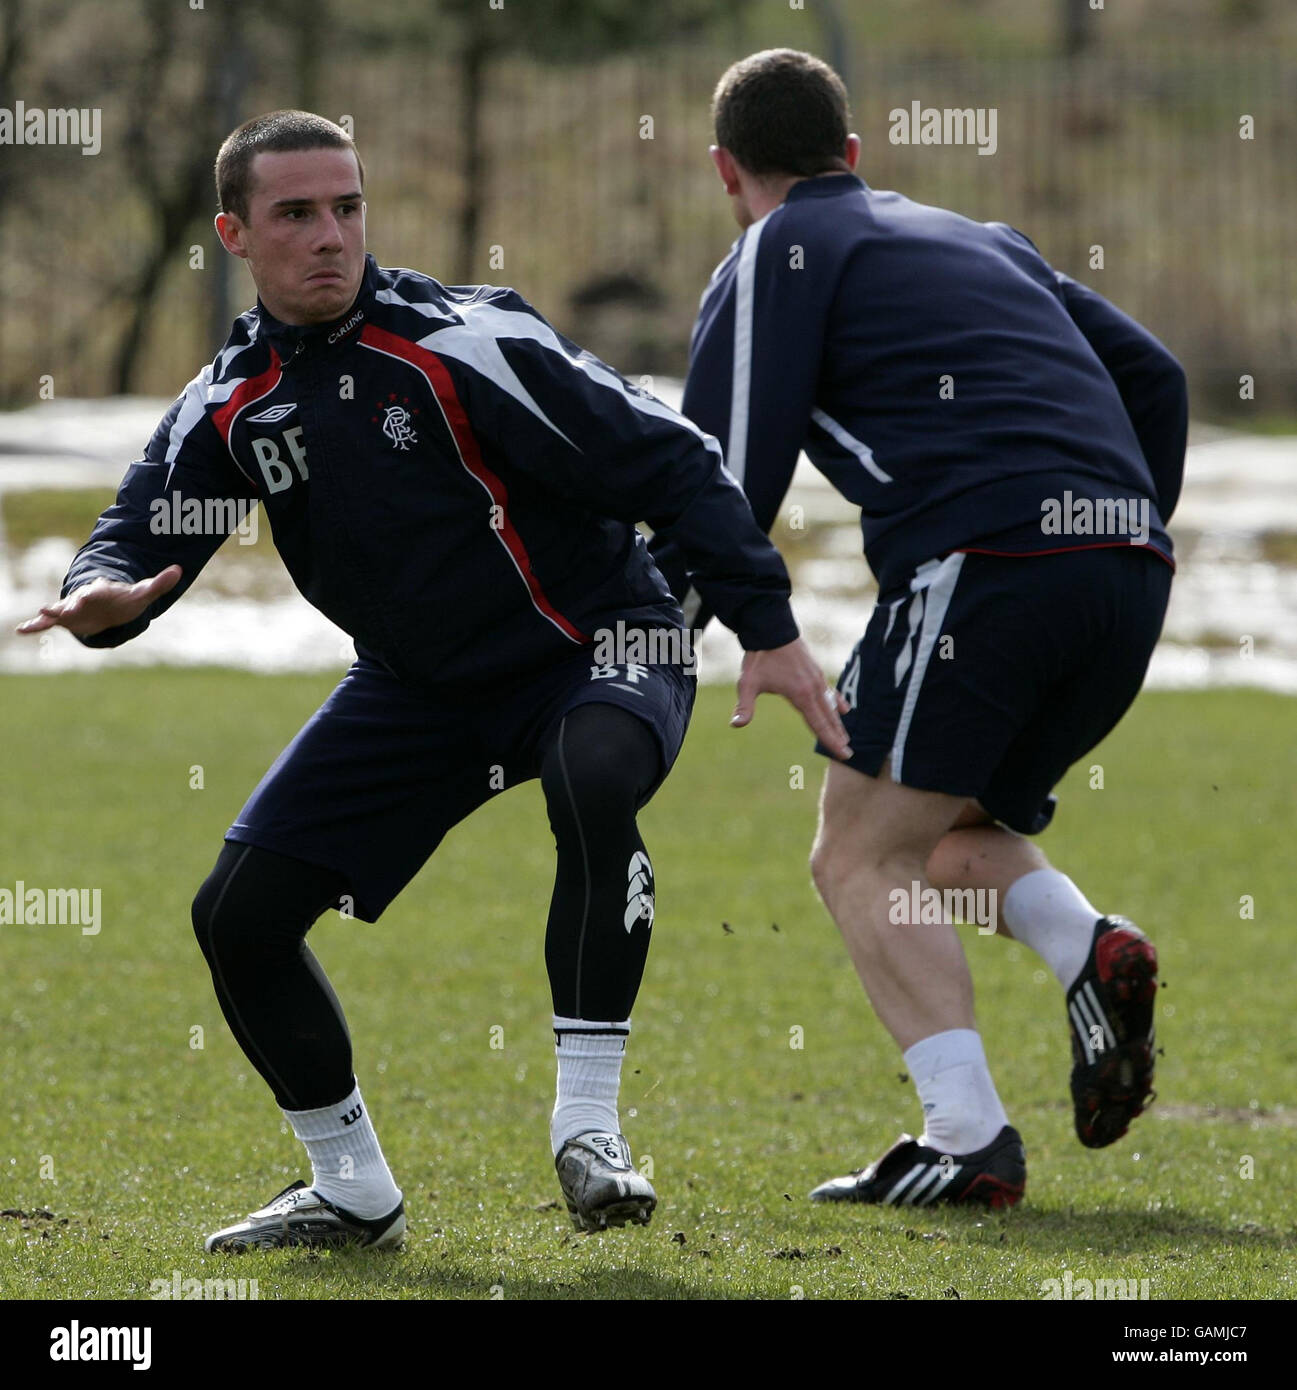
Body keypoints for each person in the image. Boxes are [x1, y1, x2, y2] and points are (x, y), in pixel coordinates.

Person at [18, 109, 850, 1249]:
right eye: (296, 214)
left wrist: (764, 623)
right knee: (238, 918)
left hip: (599, 638)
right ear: (234, 235)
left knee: (590, 773)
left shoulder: (465, 341)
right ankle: (351, 1189)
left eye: (347, 208)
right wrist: (101, 598)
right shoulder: (230, 400)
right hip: (420, 688)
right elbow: (131, 533)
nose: (329, 236)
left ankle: (590, 1131)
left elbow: (674, 461)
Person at [653, 49, 1186, 1208]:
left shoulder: (770, 251)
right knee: (943, 845)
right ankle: (1088, 946)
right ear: (853, 155)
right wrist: (1117, 524)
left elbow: (723, 475)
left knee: (855, 852)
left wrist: (648, 640)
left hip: (989, 564)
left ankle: (967, 1139)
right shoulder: (983, 236)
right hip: (1130, 570)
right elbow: (1156, 376)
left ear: (724, 172)